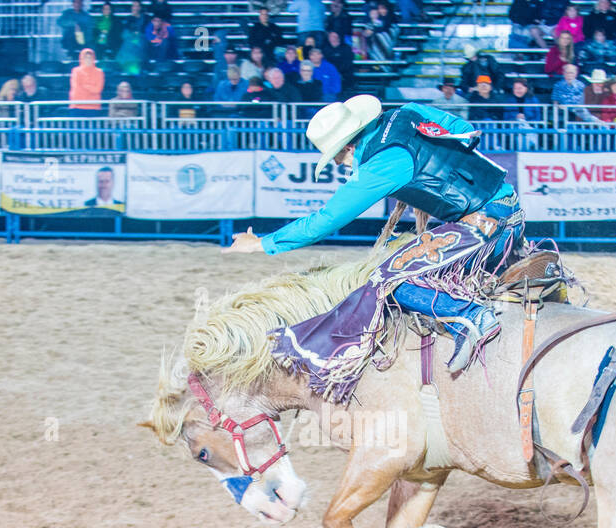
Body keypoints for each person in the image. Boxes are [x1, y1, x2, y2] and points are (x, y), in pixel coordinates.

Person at [223, 96, 528, 376]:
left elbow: (326, 220)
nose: (341, 166)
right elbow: (463, 129)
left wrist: (262, 243)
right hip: (504, 203)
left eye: (337, 159)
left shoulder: (380, 166)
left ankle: (473, 318)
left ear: (348, 147)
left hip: (488, 226)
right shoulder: (406, 113)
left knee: (390, 280)